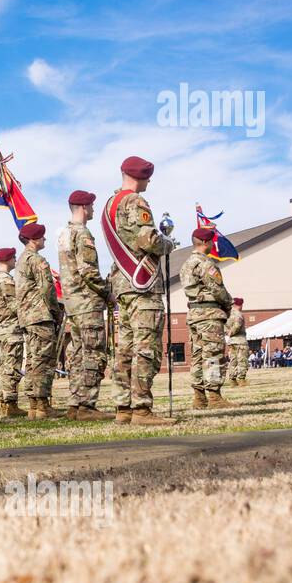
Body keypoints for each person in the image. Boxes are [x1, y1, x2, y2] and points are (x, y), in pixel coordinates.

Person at [103, 156, 176, 425]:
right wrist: (168, 243)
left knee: (126, 347)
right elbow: (148, 239)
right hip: (141, 283)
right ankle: (142, 408)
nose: (149, 181)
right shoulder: (134, 201)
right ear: (140, 177)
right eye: (147, 177)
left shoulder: (110, 204)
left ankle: (123, 407)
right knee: (146, 347)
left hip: (123, 282)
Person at [57, 190, 113, 420]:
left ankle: (75, 403)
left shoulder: (63, 233)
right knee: (94, 354)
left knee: (78, 355)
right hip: (87, 303)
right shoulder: (82, 234)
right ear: (83, 207)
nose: (92, 209)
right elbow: (88, 271)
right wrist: (107, 291)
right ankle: (87, 406)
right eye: (91, 205)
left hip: (72, 303)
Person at [181, 228, 235, 409]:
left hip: (194, 315)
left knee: (197, 356)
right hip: (209, 315)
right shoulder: (205, 264)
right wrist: (229, 305)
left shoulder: (186, 264)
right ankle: (214, 397)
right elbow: (218, 290)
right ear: (206, 243)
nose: (213, 244)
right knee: (213, 355)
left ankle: (199, 397)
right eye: (212, 242)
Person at [15, 223, 62, 419]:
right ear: (34, 239)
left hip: (27, 317)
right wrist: (55, 310)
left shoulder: (20, 260)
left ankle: (34, 404)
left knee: (33, 361)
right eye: (42, 237)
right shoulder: (36, 259)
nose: (44, 240)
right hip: (40, 316)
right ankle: (42, 405)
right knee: (44, 361)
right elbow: (47, 289)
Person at [0, 247, 24, 418]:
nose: (15, 260)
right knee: (12, 366)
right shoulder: (6, 281)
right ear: (8, 260)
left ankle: (4, 401)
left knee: (5, 366)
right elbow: (14, 306)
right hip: (10, 329)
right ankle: (10, 403)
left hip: (0, 328)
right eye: (13, 257)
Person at [226, 298, 249, 385]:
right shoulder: (238, 314)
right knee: (242, 360)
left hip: (232, 341)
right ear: (239, 305)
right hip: (240, 340)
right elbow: (238, 325)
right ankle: (241, 379)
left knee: (233, 361)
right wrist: (231, 332)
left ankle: (232, 379)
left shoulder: (228, 314)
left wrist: (228, 333)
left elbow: (224, 325)